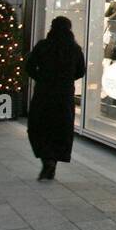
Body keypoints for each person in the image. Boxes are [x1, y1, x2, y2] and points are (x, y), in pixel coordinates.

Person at [25, 16, 87, 181]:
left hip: (44, 93)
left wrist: (41, 77)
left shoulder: (43, 46)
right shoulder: (75, 49)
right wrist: (66, 80)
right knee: (60, 128)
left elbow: (29, 66)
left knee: (40, 126)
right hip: (64, 95)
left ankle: (47, 160)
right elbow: (81, 71)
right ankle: (53, 160)